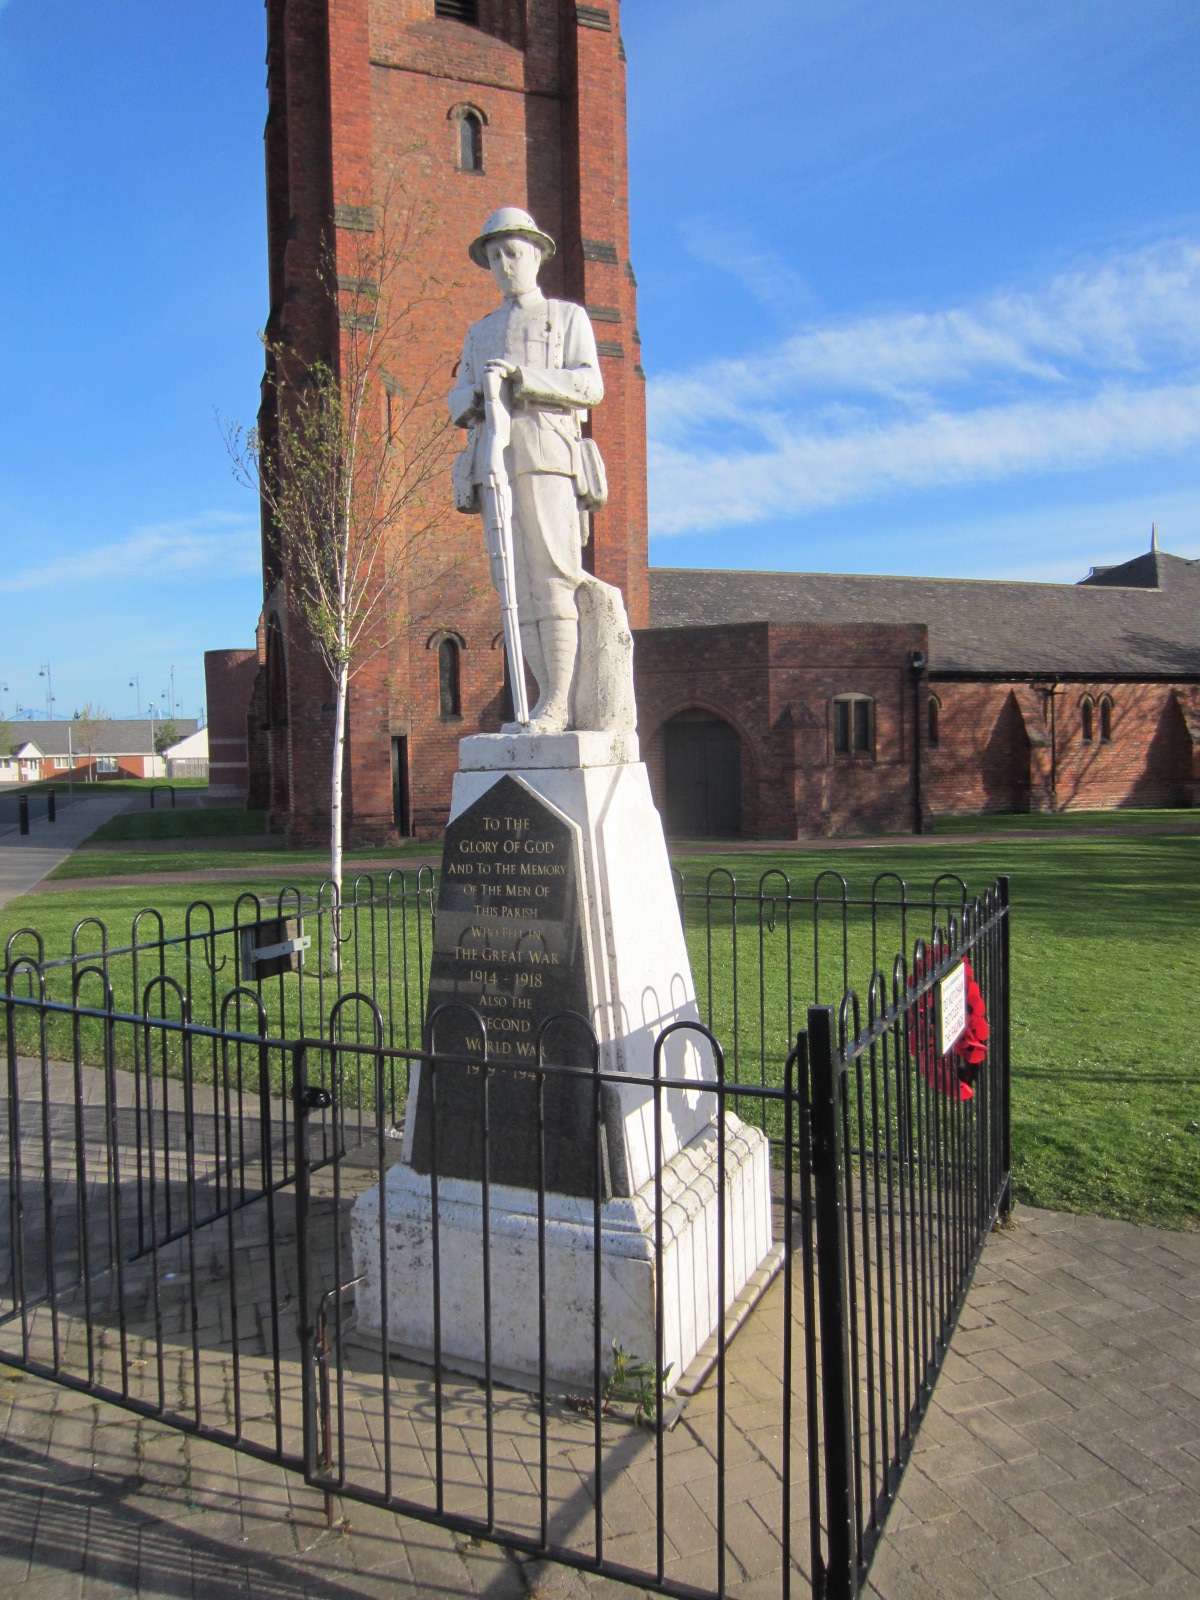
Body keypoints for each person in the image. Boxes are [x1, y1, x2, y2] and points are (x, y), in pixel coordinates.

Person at [449, 207, 604, 734]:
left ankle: (560, 702)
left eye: (512, 252)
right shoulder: (480, 332)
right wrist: (477, 392)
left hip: (547, 458)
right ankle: (544, 700)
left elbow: (590, 385)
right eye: (494, 256)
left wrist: (524, 378)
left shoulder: (565, 317)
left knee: (552, 576)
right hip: (496, 461)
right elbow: (454, 400)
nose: (503, 264)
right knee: (513, 583)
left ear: (536, 255)